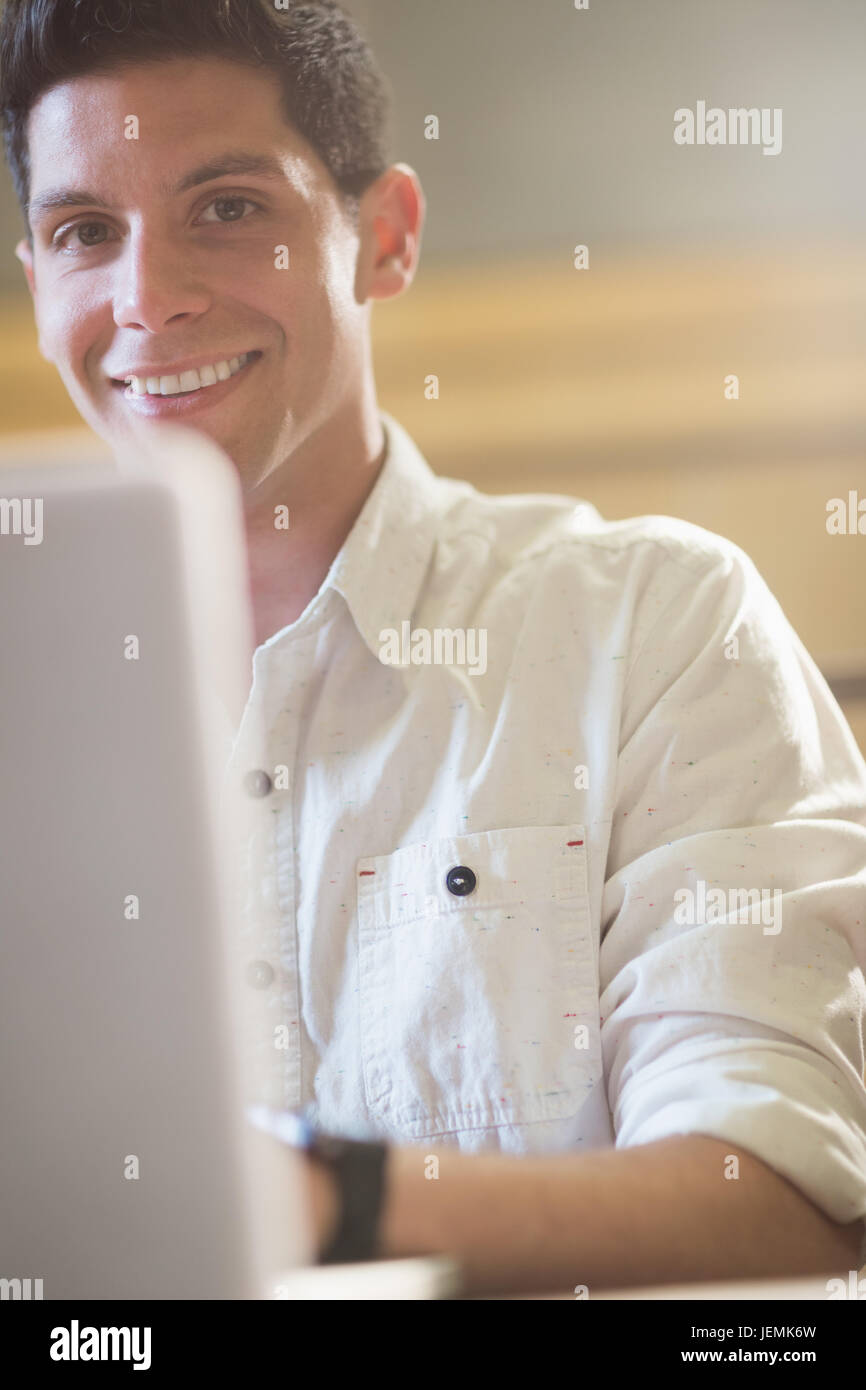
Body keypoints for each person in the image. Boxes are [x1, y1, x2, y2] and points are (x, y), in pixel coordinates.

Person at [2, 0, 865, 1296]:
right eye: (85, 232)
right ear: (36, 276)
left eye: (228, 207)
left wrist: (320, 1199)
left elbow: (783, 1201)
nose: (147, 300)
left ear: (384, 238)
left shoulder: (659, 627)